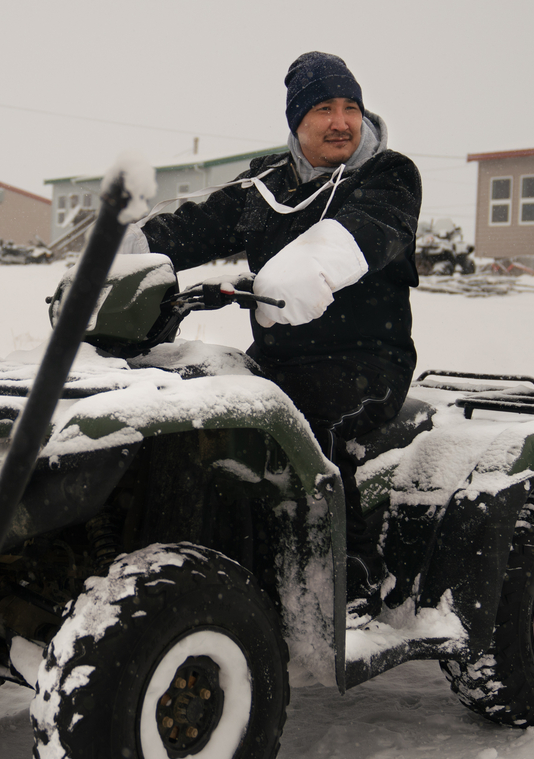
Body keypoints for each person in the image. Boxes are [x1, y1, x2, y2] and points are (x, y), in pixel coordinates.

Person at [124, 51, 423, 623]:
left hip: (368, 362)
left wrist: (307, 269)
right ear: (296, 121)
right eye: (323, 109)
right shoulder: (267, 182)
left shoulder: (388, 174)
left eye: (350, 108)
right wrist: (129, 251)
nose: (341, 122)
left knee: (311, 423)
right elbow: (201, 222)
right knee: (195, 409)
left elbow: (368, 230)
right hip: (276, 358)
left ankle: (352, 577)